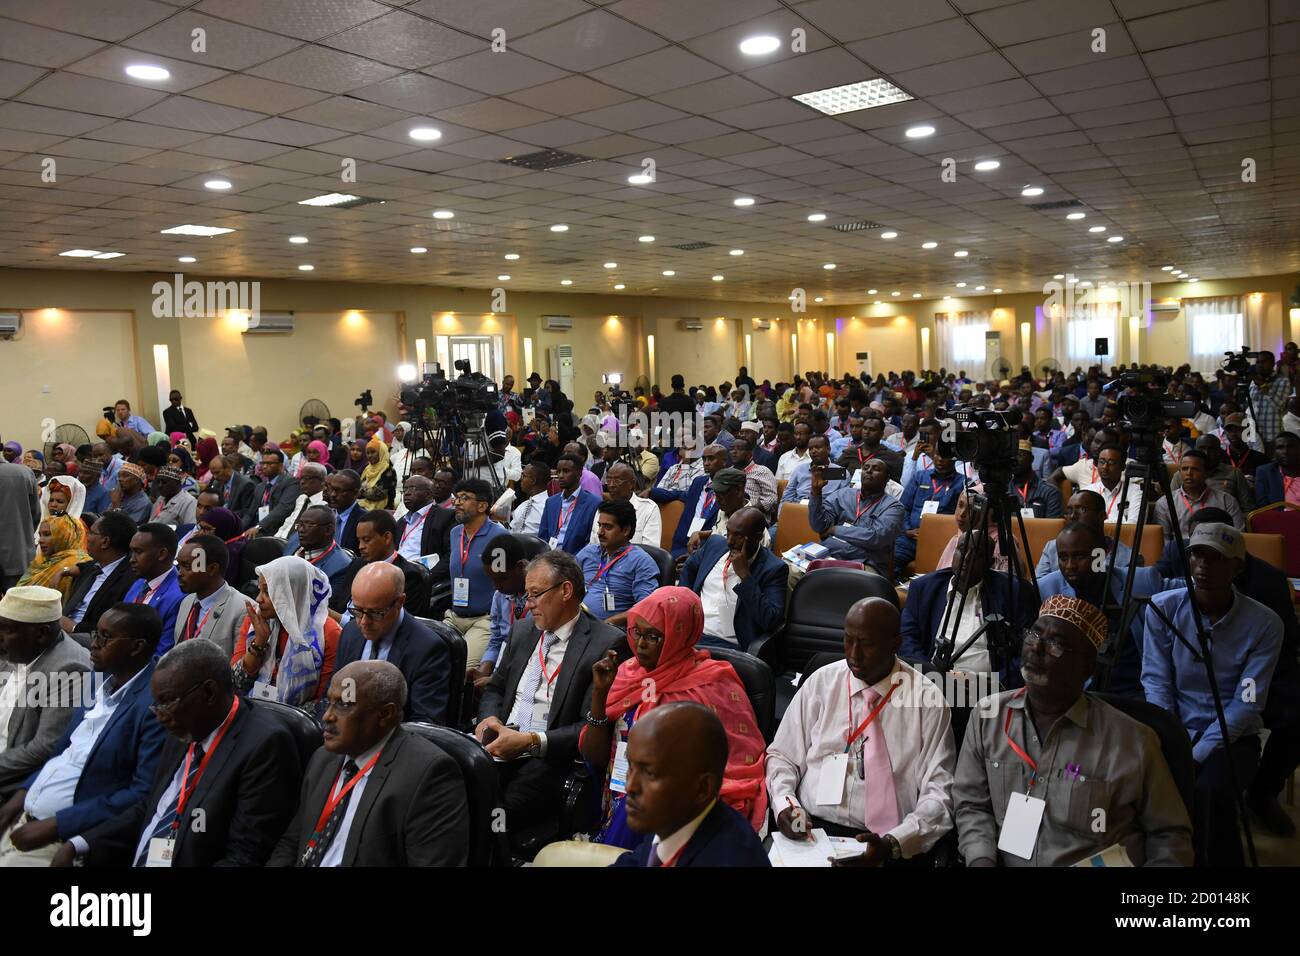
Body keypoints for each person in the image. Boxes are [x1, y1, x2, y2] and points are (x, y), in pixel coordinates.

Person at [954, 595, 1193, 866]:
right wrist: (981, 859)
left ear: (1087, 667)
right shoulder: (988, 717)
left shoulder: (1133, 742)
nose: (1036, 648)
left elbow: (1170, 836)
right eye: (1034, 634)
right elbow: (972, 805)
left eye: (1057, 644)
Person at [52, 639, 301, 867]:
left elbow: (244, 855)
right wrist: (80, 843)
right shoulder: (184, 726)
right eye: (156, 704)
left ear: (209, 692)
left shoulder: (265, 744)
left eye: (167, 702)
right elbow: (149, 808)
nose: (159, 715)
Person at [768, 597, 955, 865]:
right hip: (811, 831)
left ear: (895, 643)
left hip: (891, 841)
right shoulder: (822, 682)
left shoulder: (928, 701)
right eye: (848, 640)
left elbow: (940, 794)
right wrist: (787, 804)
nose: (853, 654)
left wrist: (894, 843)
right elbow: (782, 756)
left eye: (866, 643)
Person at [1142, 522, 1283, 866]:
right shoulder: (1162, 608)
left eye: (1216, 558)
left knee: (1211, 791)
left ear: (1237, 566)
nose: (1203, 566)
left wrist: (1198, 752)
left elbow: (1247, 703)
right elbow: (1157, 682)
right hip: (1173, 728)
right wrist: (1173, 739)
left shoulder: (1265, 624)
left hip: (1233, 736)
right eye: (1197, 556)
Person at [581, 589, 767, 849]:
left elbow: (737, 758)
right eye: (636, 631)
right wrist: (600, 695)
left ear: (680, 634)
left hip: (673, 806)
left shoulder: (713, 683)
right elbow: (594, 757)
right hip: (619, 793)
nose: (641, 644)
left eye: (654, 636)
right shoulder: (627, 673)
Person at [475, 552, 625, 850]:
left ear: (565, 591)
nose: (527, 603)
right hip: (497, 744)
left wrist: (531, 741)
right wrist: (488, 718)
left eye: (534, 595)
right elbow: (495, 688)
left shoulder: (606, 644)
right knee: (444, 792)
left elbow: (590, 727)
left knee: (492, 814)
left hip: (548, 760)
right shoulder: (523, 630)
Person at [0, 602, 166, 866]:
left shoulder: (155, 704)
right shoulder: (97, 679)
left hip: (65, 840)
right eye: (95, 634)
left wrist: (58, 826)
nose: (94, 644)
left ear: (136, 647)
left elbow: (140, 794)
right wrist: (21, 795)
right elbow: (63, 752)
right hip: (24, 818)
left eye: (105, 637)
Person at [270, 661, 469, 867]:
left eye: (344, 705)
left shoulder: (429, 776)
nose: (328, 716)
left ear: (385, 714)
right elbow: (293, 842)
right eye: (328, 702)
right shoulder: (323, 759)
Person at [604, 702, 768, 867]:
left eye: (650, 774)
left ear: (702, 788)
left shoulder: (731, 858)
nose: (630, 786)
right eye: (631, 766)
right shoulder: (672, 818)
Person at [1036, 522, 1166, 697]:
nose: (1070, 566)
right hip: (1081, 696)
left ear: (1100, 555)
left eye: (1079, 556)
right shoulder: (1047, 588)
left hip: (1137, 692)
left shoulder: (1141, 581)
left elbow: (1189, 591)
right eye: (1063, 557)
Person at [901, 530, 1033, 692]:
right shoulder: (925, 588)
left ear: (989, 563)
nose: (967, 557)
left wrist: (998, 685)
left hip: (988, 688)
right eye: (962, 549)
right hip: (933, 683)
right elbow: (907, 638)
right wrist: (930, 675)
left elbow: (1027, 649)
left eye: (977, 553)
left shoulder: (1012, 592)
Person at [0, 586, 93, 798]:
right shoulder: (15, 649)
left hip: (13, 779)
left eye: (6, 629)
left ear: (41, 633)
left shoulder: (70, 668)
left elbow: (45, 747)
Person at [335, 562, 451, 725]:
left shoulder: (428, 649)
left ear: (400, 602)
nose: (363, 622)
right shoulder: (350, 633)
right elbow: (334, 697)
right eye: (358, 610)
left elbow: (424, 724)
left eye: (375, 613)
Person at [442, 478, 508, 671]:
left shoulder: (498, 538)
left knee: (461, 670)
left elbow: (503, 583)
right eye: (457, 498)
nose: (457, 502)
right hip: (453, 617)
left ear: (482, 506)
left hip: (484, 620)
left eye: (465, 498)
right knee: (430, 660)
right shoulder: (455, 533)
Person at [809, 458, 905, 576]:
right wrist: (816, 492)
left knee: (839, 583)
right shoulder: (842, 495)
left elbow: (875, 537)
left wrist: (835, 530)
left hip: (864, 564)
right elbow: (819, 526)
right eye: (865, 468)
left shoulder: (893, 507)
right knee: (793, 573)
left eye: (876, 469)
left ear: (887, 478)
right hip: (829, 555)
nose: (869, 471)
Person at [575, 501, 659, 627]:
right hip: (576, 621)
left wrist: (611, 622)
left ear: (625, 530)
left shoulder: (641, 562)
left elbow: (645, 607)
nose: (599, 532)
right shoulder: (589, 552)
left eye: (607, 527)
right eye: (599, 525)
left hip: (609, 631)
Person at [172, 535, 256, 659]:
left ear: (212, 569)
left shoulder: (243, 609)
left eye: (187, 567)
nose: (180, 574)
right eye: (179, 566)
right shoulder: (187, 601)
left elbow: (240, 668)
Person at [61, 512, 137, 643]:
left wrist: (74, 628)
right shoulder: (95, 565)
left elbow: (115, 628)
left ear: (105, 542)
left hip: (87, 641)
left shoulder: (129, 581)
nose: (87, 536)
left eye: (91, 533)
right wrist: (64, 571)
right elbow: (84, 566)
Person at [470, 535, 532, 693]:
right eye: (492, 579)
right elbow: (496, 640)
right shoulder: (499, 596)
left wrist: (495, 681)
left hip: (528, 675)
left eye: (502, 578)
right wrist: (483, 671)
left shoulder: (541, 599)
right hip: (503, 668)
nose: (496, 586)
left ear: (521, 567)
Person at [341, 510, 431, 618]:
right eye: (359, 540)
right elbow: (338, 602)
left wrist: (338, 619)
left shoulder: (409, 576)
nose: (360, 546)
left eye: (366, 540)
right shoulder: (357, 564)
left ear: (387, 538)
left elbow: (395, 625)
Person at [894, 446, 966, 574]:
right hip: (910, 537)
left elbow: (960, 516)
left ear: (954, 459)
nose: (940, 460)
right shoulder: (919, 477)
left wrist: (934, 533)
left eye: (945, 456)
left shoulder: (962, 483)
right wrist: (908, 530)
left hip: (940, 539)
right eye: (937, 455)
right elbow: (903, 507)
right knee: (893, 561)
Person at [650, 444, 728, 558]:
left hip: (711, 547)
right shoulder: (698, 482)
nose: (706, 463)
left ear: (724, 461)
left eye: (711, 459)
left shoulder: (731, 489)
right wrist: (652, 492)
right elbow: (679, 494)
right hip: (684, 543)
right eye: (704, 459)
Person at [1034, 489, 1134, 578]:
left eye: (1082, 509)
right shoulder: (1051, 548)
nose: (1073, 516)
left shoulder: (1129, 558)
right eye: (1069, 511)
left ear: (1101, 516)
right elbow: (1038, 590)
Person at [122, 524, 184, 656]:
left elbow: (161, 655)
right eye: (131, 552)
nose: (131, 559)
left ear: (161, 554)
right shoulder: (139, 583)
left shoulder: (178, 597)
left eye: (138, 552)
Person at [1153, 449, 1244, 537]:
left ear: (1207, 473)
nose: (1189, 473)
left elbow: (1237, 536)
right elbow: (1163, 540)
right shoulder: (1165, 503)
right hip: (1180, 550)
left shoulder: (1227, 501)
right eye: (1184, 469)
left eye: (1195, 469)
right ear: (1179, 472)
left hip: (1215, 549)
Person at [286, 506, 353, 611]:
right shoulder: (294, 541)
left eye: (309, 525)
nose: (301, 530)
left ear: (328, 530)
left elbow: (322, 608)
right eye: (300, 524)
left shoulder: (341, 566)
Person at [537, 454, 602, 555]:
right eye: (558, 471)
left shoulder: (593, 503)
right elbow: (543, 537)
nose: (561, 476)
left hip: (575, 559)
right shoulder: (551, 502)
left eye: (566, 471)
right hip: (550, 557)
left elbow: (590, 542)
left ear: (579, 473)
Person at [394, 475, 455, 583]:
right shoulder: (401, 522)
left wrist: (428, 576)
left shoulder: (445, 517)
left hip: (423, 578)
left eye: (413, 488)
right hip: (397, 575)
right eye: (405, 489)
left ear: (428, 494)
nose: (407, 493)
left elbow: (451, 555)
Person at [1170, 434, 1253, 513]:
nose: (1206, 453)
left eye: (1211, 449)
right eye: (1202, 448)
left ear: (1219, 451)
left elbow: (1248, 508)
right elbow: (1171, 505)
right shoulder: (1181, 475)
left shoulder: (1234, 473)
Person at [17, 513, 89, 602]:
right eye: (40, 535)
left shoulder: (81, 562)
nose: (40, 540)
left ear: (65, 536)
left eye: (47, 535)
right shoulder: (40, 561)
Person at [590, 462, 661, 548]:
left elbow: (650, 550)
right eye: (608, 480)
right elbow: (593, 545)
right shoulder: (603, 509)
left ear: (632, 484)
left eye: (617, 481)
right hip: (602, 560)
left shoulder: (648, 509)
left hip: (634, 560)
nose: (611, 485)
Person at [0, 444, 40, 595]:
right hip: (18, 557)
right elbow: (35, 515)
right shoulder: (23, 473)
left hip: (17, 558)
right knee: (17, 613)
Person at [242, 449, 299, 536]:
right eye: (263, 463)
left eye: (269, 464)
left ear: (280, 466)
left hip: (275, 530)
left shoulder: (290, 482)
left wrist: (259, 526)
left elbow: (283, 508)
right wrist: (239, 528)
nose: (264, 466)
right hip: (257, 528)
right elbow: (250, 514)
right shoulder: (260, 487)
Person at [1081, 444, 1142, 525]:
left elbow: (1133, 527)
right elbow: (1083, 525)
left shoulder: (1136, 491)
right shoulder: (1087, 492)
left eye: (1111, 462)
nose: (1105, 467)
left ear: (1123, 467)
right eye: (1101, 462)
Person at [1010, 439, 1063, 517]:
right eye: (1011, 457)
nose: (1014, 460)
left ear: (1031, 459)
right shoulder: (1003, 490)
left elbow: (1053, 527)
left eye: (1019, 455)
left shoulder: (1050, 492)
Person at [1249, 349, 1289, 449]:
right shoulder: (1254, 381)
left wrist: (1264, 386)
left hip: (1272, 434)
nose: (1260, 365)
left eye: (1264, 362)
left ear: (1272, 363)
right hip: (1254, 434)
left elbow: (1280, 406)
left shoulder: (1282, 381)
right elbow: (1251, 403)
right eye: (1258, 362)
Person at [279, 462, 327, 542]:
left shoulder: (324, 504)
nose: (302, 482)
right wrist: (276, 539)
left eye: (307, 478)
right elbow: (289, 522)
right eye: (301, 478)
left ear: (322, 481)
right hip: (283, 540)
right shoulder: (301, 498)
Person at [1253, 431, 1300, 507]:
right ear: (1274, 452)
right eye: (1280, 447)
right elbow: (1262, 507)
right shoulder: (1265, 472)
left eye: (1291, 447)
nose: (1285, 451)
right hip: (1279, 517)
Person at [1219, 412, 1268, 477]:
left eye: (1238, 429)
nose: (1233, 434)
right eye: (1229, 430)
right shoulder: (1219, 459)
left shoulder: (1261, 459)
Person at [356, 438, 397, 512]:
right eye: (368, 453)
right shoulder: (367, 469)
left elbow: (378, 494)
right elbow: (358, 490)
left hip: (384, 509)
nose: (370, 455)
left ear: (381, 452)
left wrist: (362, 490)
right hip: (364, 505)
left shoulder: (388, 470)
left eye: (373, 452)